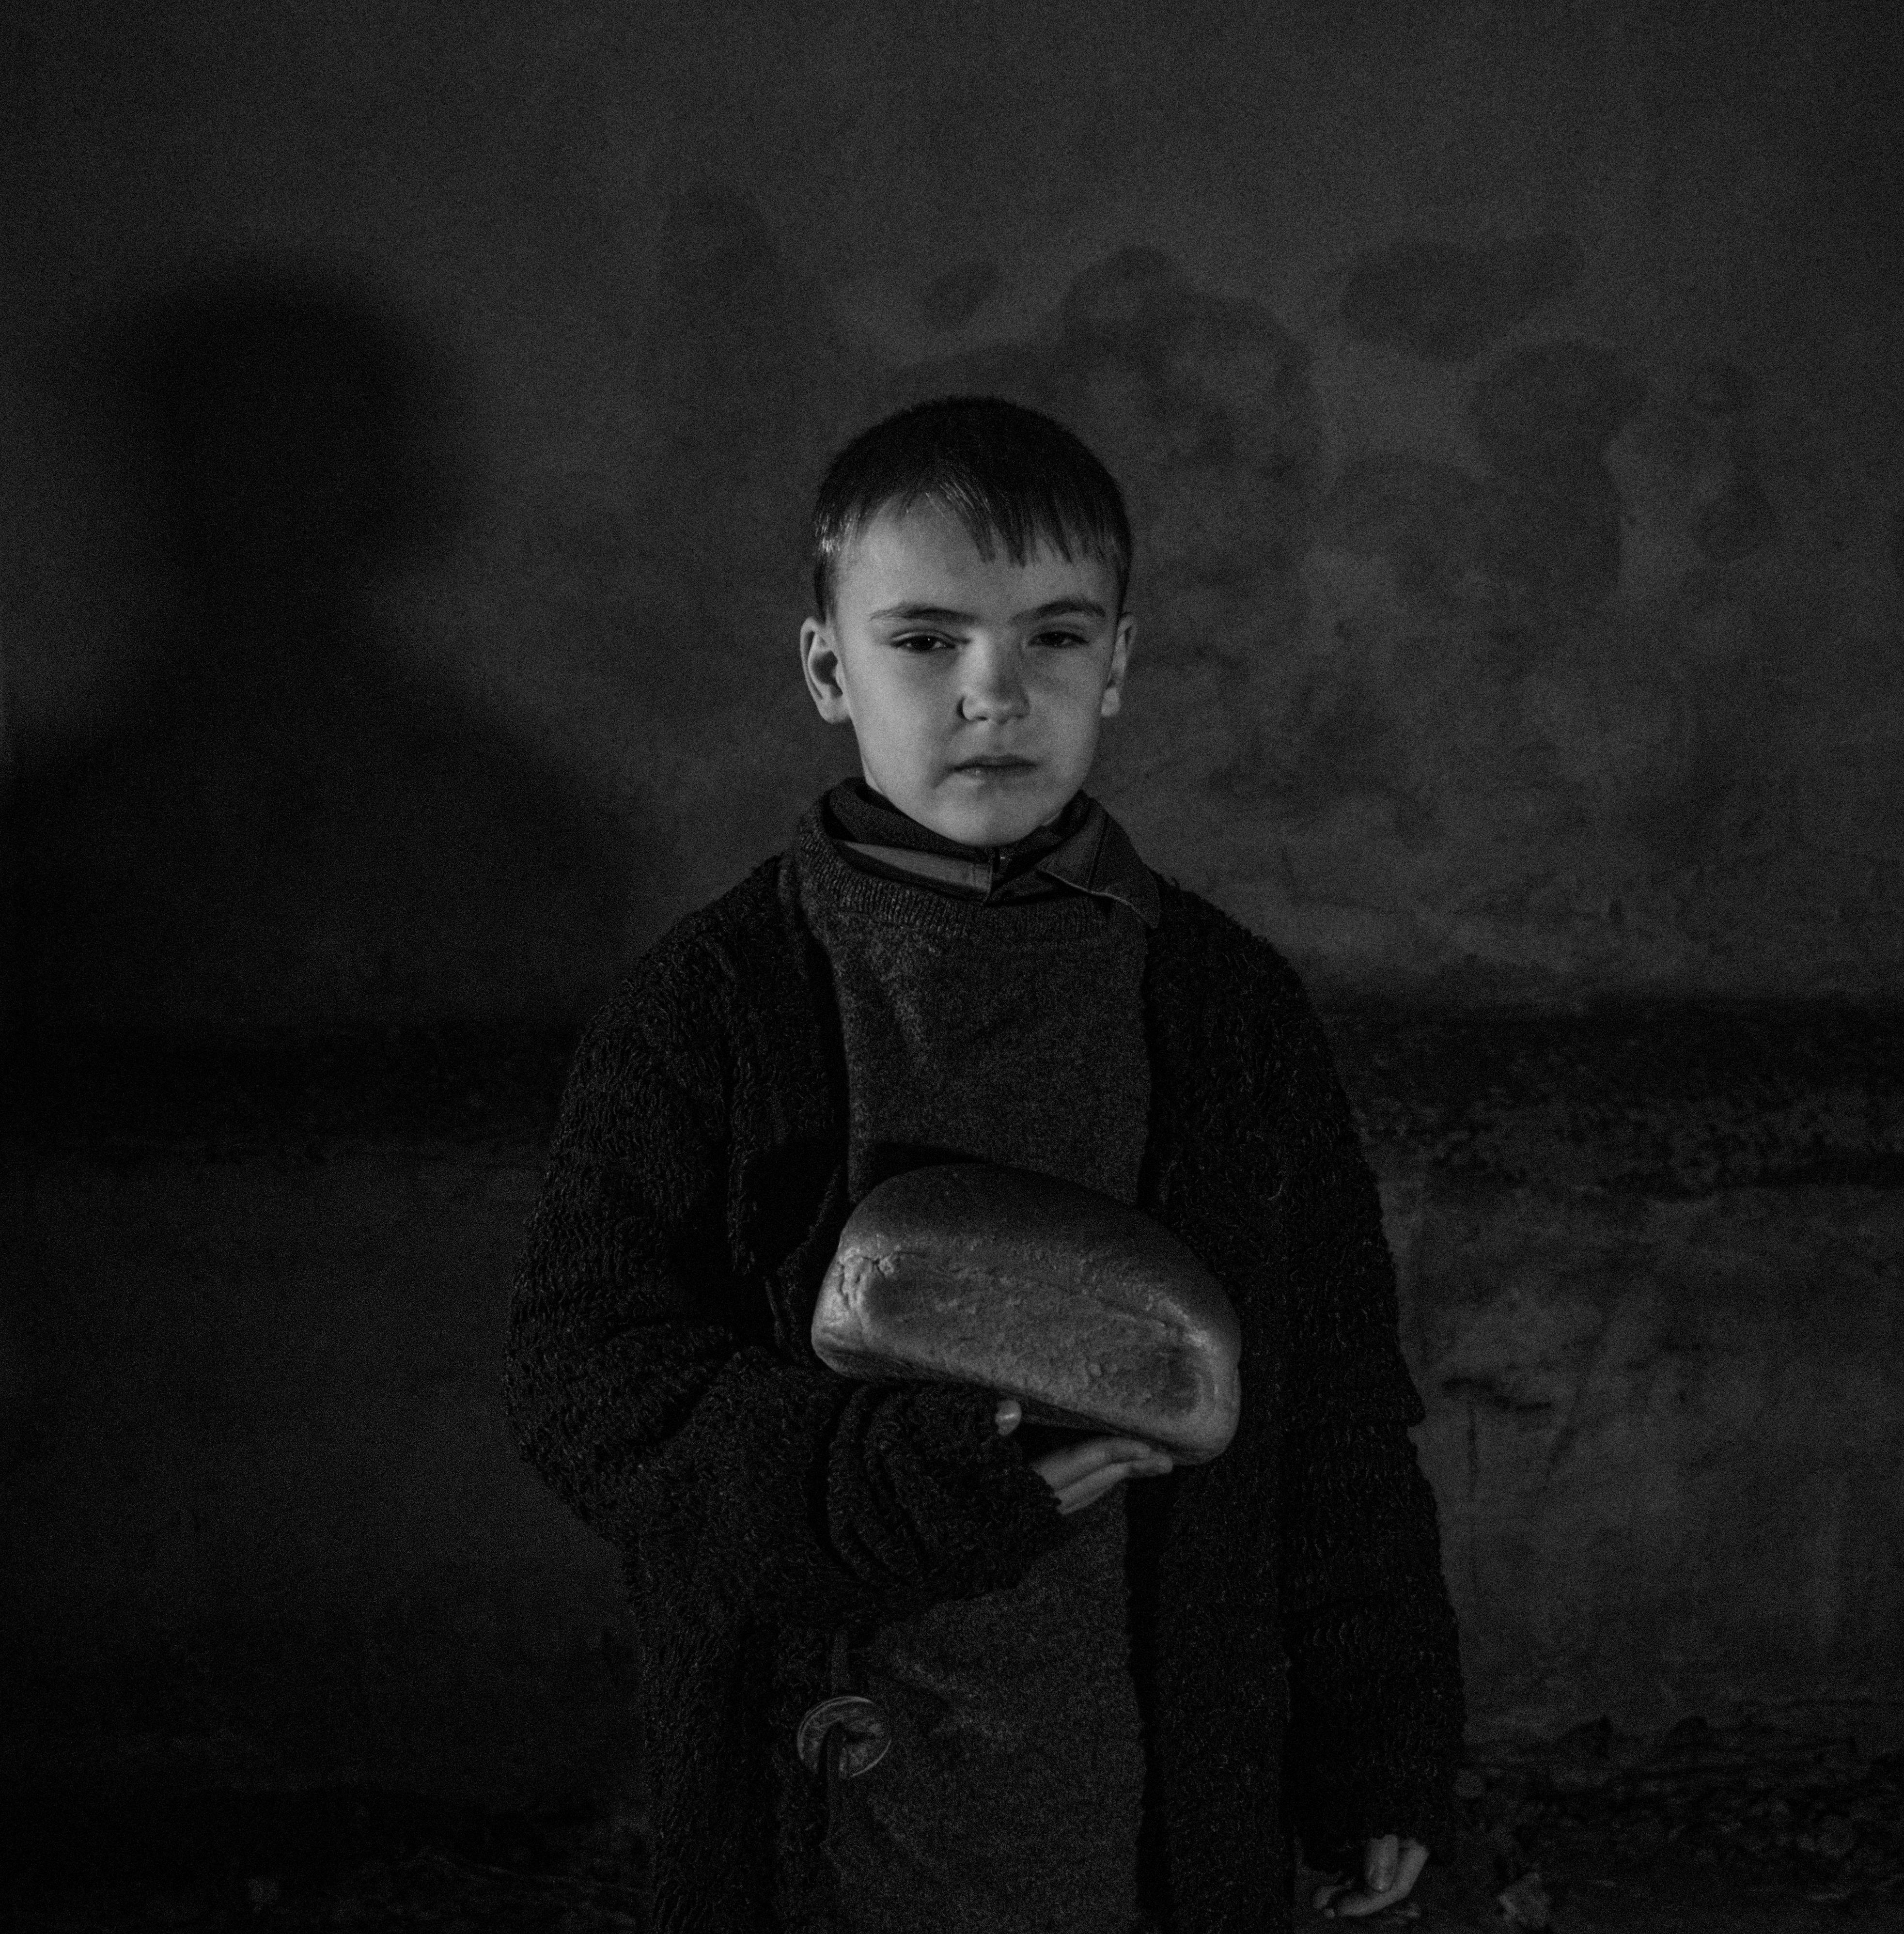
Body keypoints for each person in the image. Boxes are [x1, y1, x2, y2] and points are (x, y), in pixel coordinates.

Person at [503, 396, 1465, 1933]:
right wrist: (877, 1481)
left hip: (1142, 1784)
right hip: (824, 1772)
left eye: (1056, 640)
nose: (994, 695)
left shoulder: (1229, 1013)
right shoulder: (714, 1003)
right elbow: (582, 1373)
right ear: (829, 666)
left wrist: (1379, 1751)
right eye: (926, 640)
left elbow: (1334, 1408)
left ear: (1123, 664)